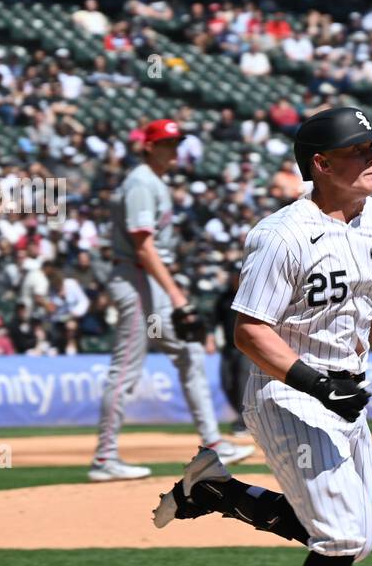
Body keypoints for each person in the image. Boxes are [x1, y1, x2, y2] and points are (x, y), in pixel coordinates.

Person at [151, 106, 372, 566]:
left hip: (344, 391)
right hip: (285, 390)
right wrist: (315, 383)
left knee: (355, 542)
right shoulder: (282, 234)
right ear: (320, 164)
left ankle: (217, 492)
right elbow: (248, 331)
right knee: (340, 535)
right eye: (359, 151)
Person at [89, 118, 253, 481]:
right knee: (126, 369)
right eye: (166, 143)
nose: (174, 149)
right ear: (148, 146)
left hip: (151, 281)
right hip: (136, 279)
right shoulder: (141, 183)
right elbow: (143, 247)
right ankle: (104, 458)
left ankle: (212, 443)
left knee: (190, 353)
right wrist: (178, 297)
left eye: (177, 143)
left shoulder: (154, 182)